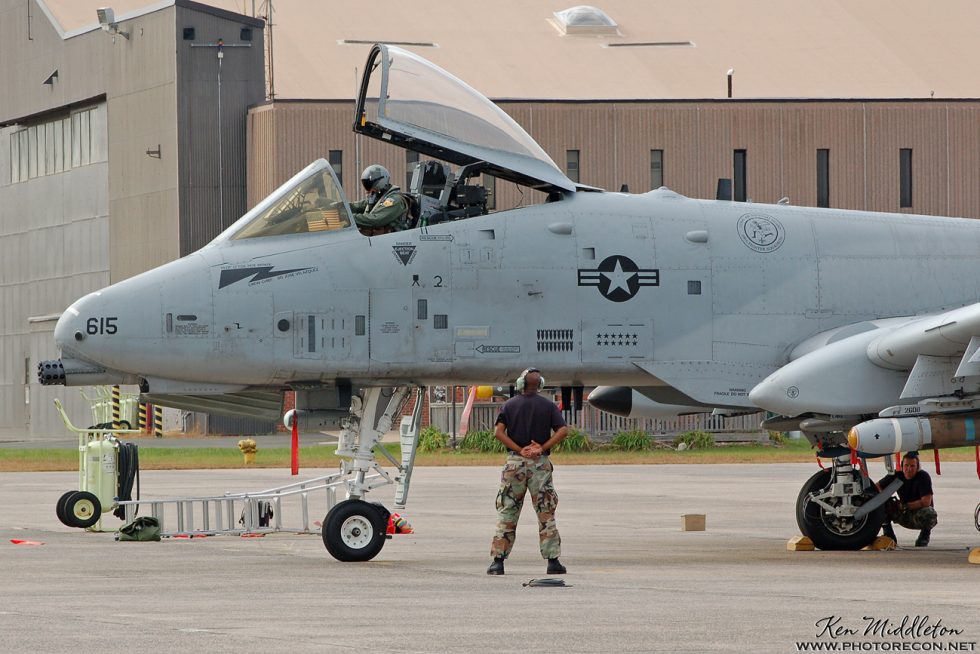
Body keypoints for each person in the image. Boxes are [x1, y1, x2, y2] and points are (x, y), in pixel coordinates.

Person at [487, 368, 569, 576]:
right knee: (545, 512)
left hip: (514, 465)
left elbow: (498, 432)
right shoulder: (548, 406)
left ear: (520, 384)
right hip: (539, 465)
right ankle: (553, 561)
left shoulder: (509, 405)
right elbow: (563, 430)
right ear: (540, 384)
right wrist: (541, 447)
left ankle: (498, 562)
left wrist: (518, 449)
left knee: (507, 511)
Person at [875, 452, 938, 547]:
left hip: (918, 514)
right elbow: (877, 486)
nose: (909, 469)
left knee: (930, 513)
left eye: (912, 466)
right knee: (881, 503)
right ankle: (889, 534)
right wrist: (885, 497)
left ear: (917, 467)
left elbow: (926, 501)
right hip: (902, 513)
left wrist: (906, 506)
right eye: (906, 466)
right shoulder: (897, 475)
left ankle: (924, 536)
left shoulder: (923, 477)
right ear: (902, 466)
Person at [349, 164, 410, 235]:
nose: (367, 190)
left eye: (369, 184)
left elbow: (375, 220)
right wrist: (340, 208)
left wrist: (348, 218)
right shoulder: (378, 197)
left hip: (391, 239)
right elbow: (357, 206)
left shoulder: (395, 201)